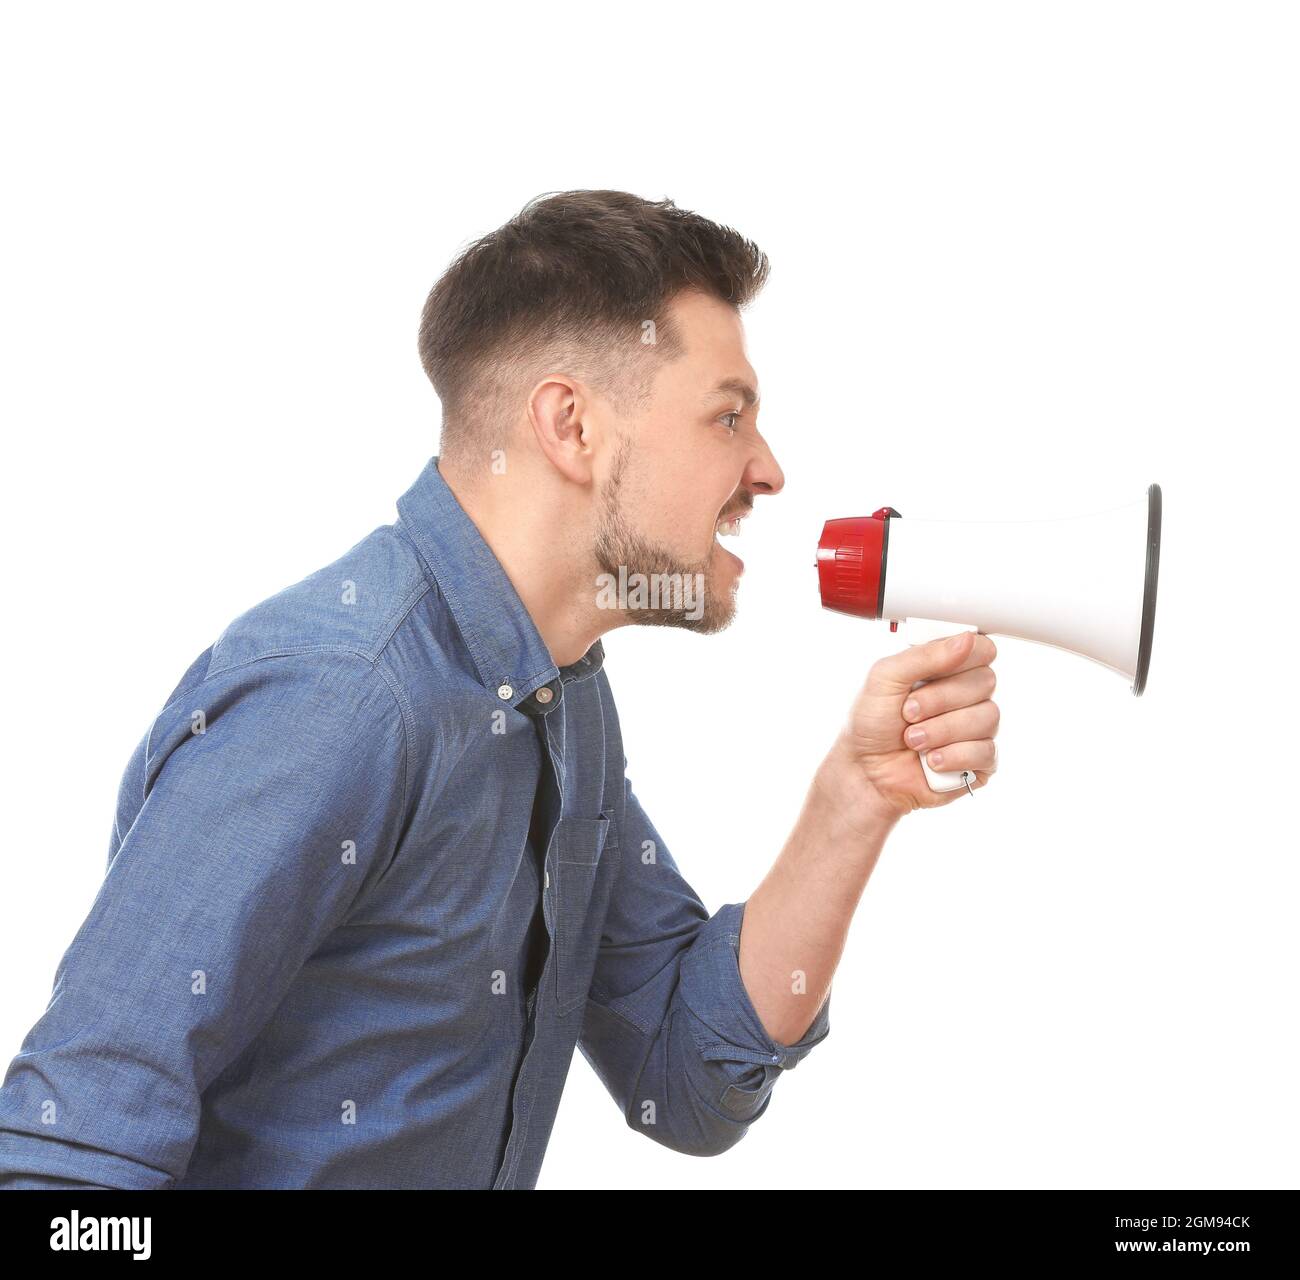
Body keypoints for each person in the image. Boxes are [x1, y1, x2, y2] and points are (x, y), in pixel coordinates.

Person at [0, 190, 999, 1189]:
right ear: (570, 425)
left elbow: (681, 1071)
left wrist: (852, 799)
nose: (767, 469)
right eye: (726, 416)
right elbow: (66, 1152)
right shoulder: (341, 696)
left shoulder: (559, 702)